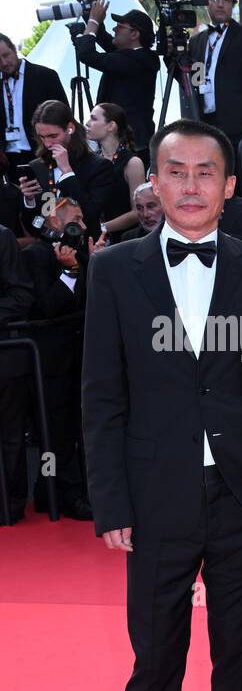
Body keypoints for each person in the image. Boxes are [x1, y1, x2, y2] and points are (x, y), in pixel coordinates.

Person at [79, 119, 242, 691]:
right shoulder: (114, 269)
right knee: (155, 659)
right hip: (156, 498)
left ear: (230, 186)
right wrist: (111, 505)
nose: (191, 186)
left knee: (240, 658)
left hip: (241, 498)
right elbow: (101, 396)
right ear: (153, 183)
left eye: (205, 172)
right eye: (176, 171)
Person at [20, 197, 99, 522]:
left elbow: (89, 302)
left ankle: (48, 490)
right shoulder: (36, 255)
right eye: (76, 219)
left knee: (72, 428)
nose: (83, 226)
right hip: (49, 362)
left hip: (76, 356)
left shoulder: (79, 254)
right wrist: (69, 271)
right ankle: (62, 493)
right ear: (54, 220)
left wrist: (93, 264)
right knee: (56, 433)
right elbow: (49, 305)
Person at [187, 0, 242, 198]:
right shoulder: (197, 41)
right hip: (207, 120)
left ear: (233, 4)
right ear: (206, 3)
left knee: (241, 180)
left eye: (226, 0)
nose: (220, 4)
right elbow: (195, 79)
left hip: (238, 121)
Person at [73, 1, 160, 160]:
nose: (114, 29)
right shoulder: (135, 56)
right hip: (124, 139)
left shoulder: (138, 60)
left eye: (120, 27)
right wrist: (90, 9)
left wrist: (93, 21)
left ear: (134, 34)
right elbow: (106, 40)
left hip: (129, 143)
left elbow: (87, 55)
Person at [19, 101, 115, 240]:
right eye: (42, 137)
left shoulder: (99, 166)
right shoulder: (38, 167)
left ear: (70, 128)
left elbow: (89, 213)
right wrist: (29, 200)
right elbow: (33, 225)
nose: (47, 144)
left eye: (53, 136)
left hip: (85, 245)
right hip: (47, 246)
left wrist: (67, 172)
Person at [0, 221, 33, 524]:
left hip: (5, 355)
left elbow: (21, 295)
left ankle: (9, 504)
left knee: (10, 433)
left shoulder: (2, 237)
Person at [0, 32, 69, 171]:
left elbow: (63, 116)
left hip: (42, 154)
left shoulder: (45, 76)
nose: (4, 63)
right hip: (7, 160)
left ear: (14, 49)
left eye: (6, 55)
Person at [84, 103, 146, 240]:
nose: (87, 123)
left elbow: (138, 212)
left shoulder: (132, 163)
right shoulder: (90, 160)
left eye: (94, 118)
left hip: (123, 240)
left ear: (111, 126)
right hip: (93, 239)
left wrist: (102, 228)